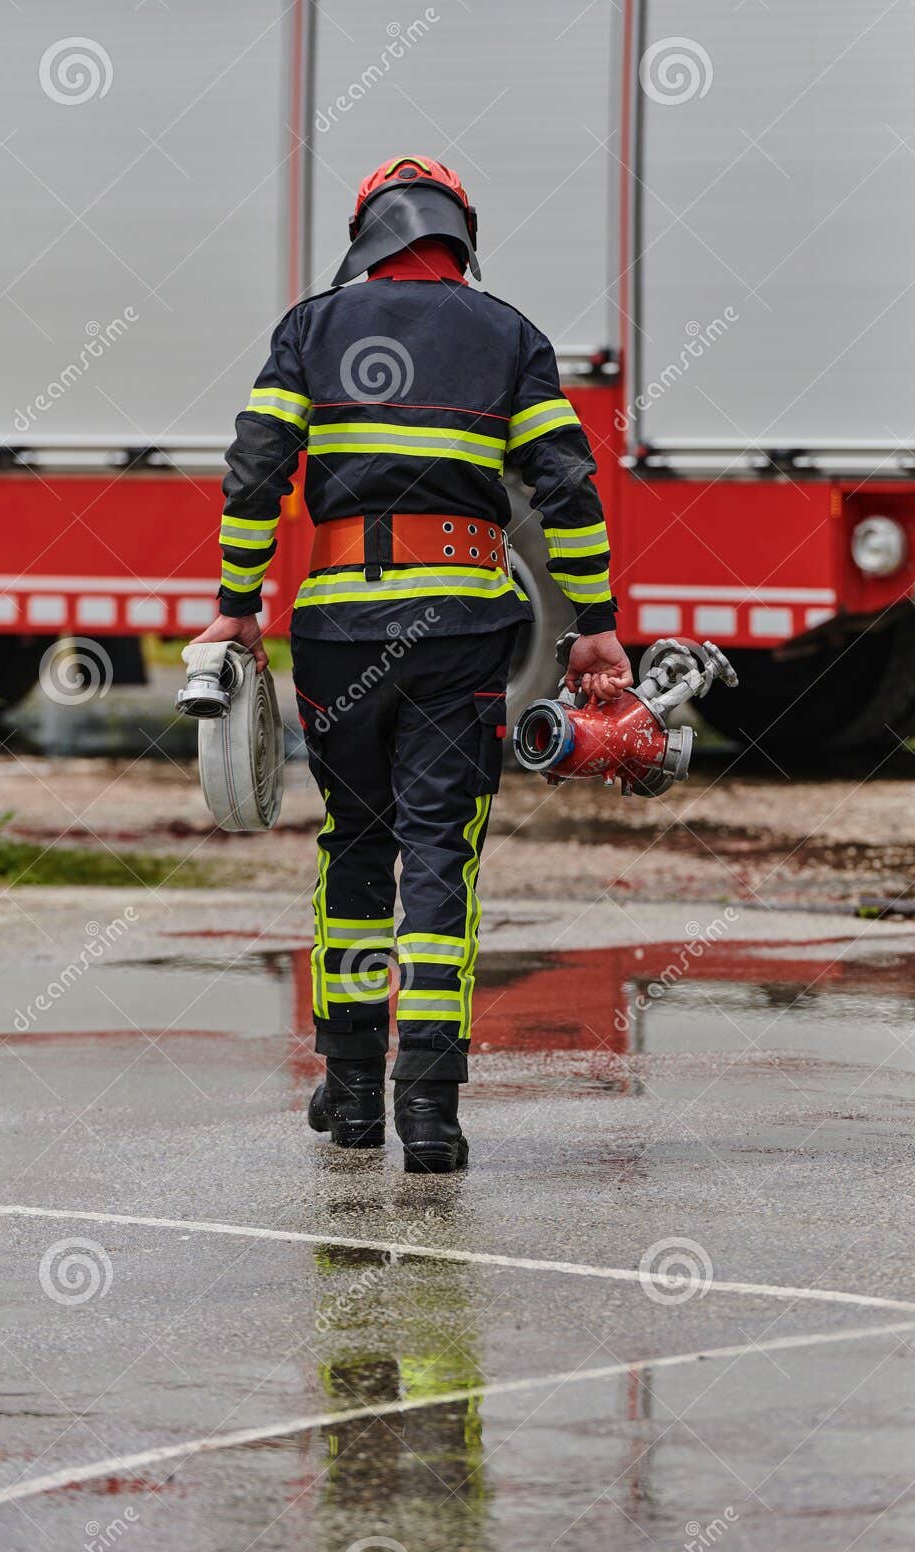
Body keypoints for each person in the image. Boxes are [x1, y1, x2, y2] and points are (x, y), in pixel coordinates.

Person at [192, 155, 631, 1173]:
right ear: (460, 231)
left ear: (366, 232)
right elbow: (563, 484)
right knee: (442, 851)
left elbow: (256, 470)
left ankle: (350, 1094)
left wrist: (235, 607)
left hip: (339, 629)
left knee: (355, 843)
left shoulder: (310, 328)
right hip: (463, 626)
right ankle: (428, 1111)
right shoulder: (510, 335)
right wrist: (597, 624)